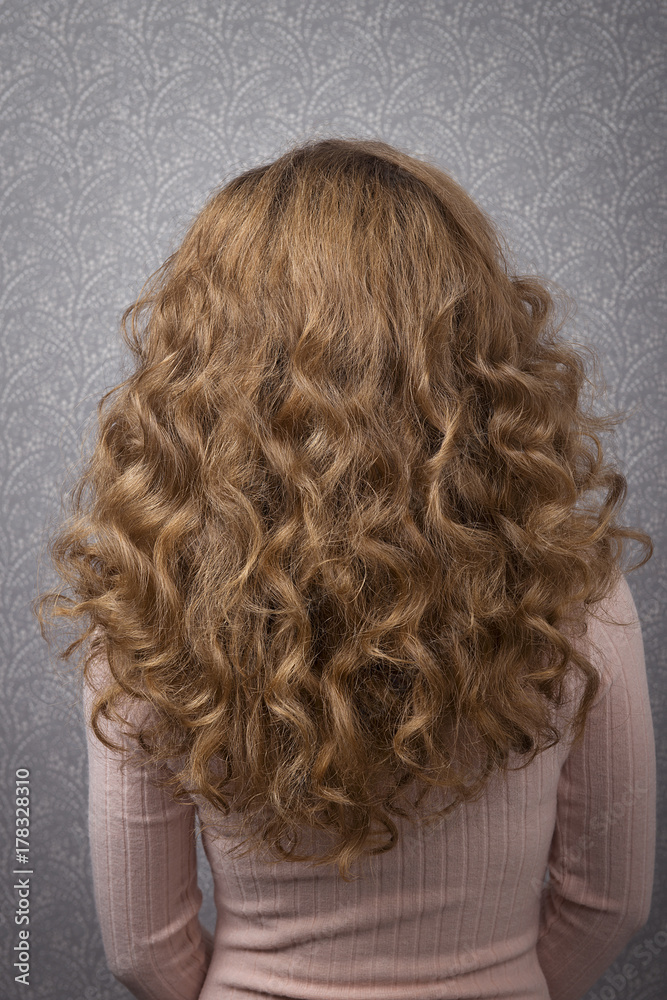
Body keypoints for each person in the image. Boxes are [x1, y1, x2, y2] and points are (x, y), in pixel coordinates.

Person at [35, 136, 656, 1000]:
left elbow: (142, 950)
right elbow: (607, 904)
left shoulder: (151, 595)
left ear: (207, 356)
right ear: (471, 344)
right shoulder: (572, 588)